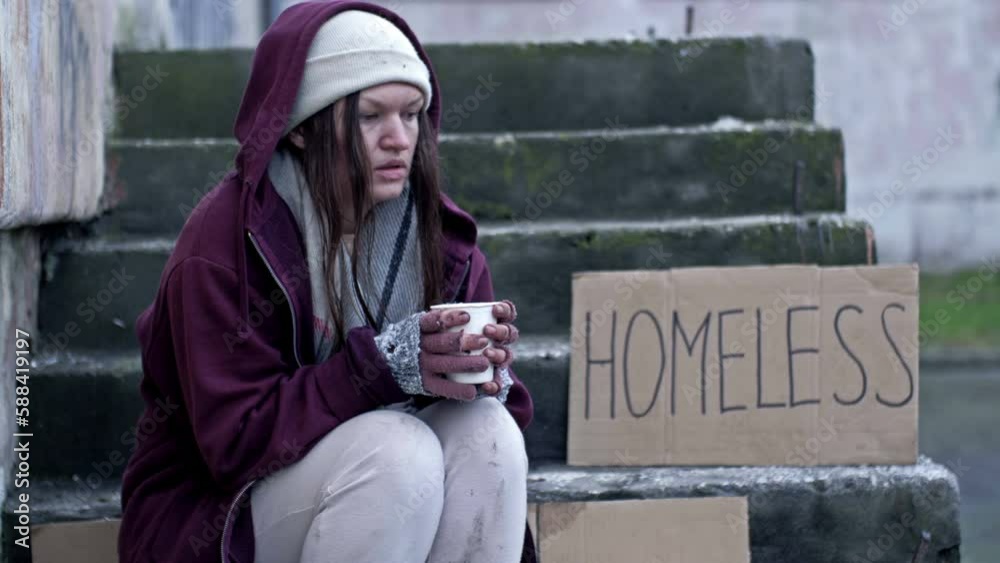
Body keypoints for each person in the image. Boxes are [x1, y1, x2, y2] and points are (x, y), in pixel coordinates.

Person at [117, 2, 536, 562]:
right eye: (370, 116)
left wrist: (484, 374)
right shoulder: (226, 242)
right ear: (300, 131)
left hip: (380, 499)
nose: (398, 139)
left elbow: (502, 416)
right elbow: (234, 444)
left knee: (489, 432)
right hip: (222, 510)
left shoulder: (441, 239)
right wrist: (383, 367)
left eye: (411, 114)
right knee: (398, 450)